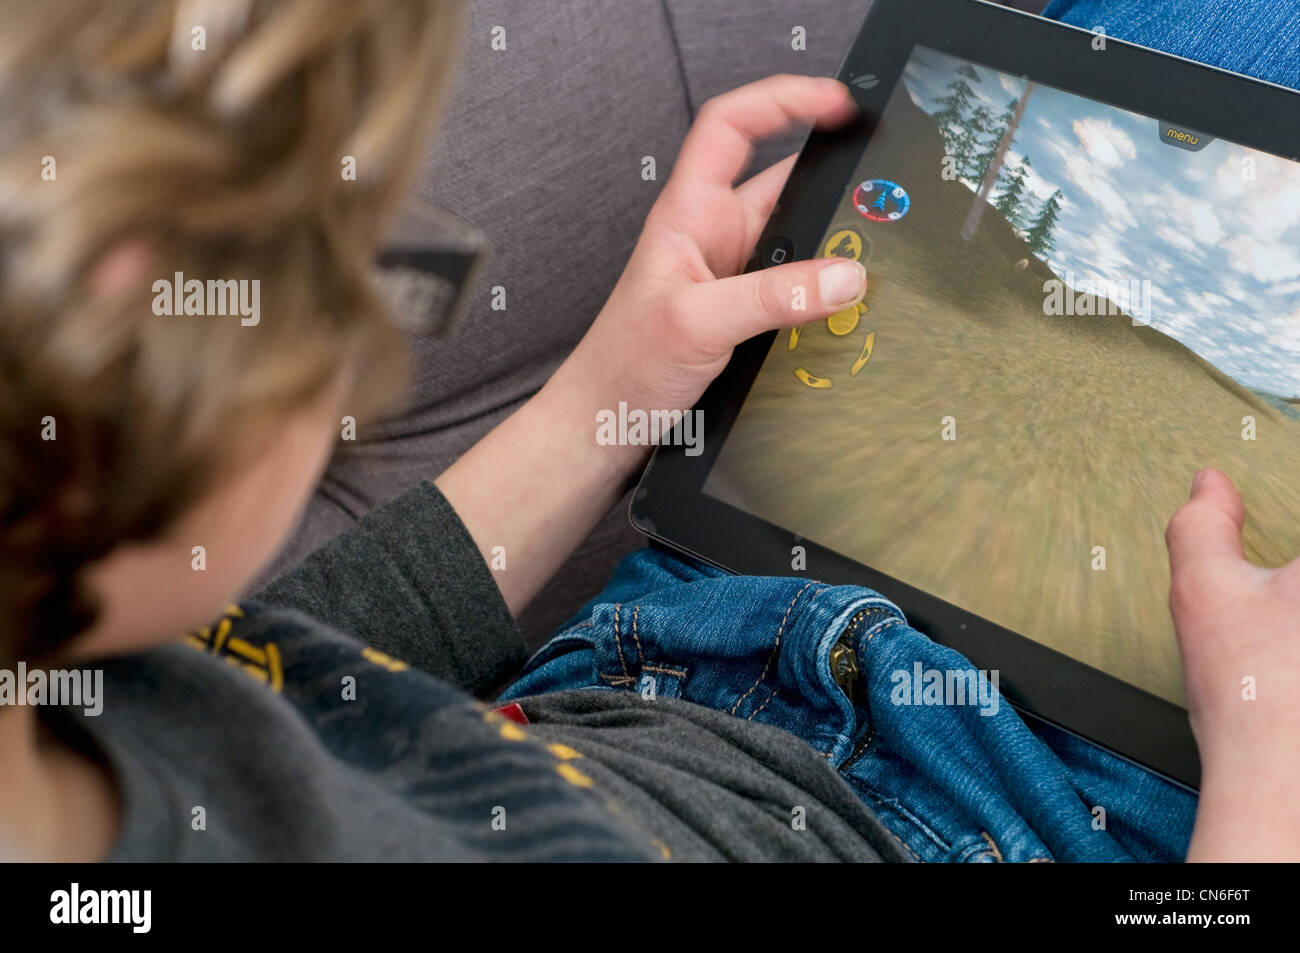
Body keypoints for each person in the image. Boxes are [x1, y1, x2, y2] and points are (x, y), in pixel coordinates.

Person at [0, 0, 1294, 862]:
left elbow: (291, 656)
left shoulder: (65, 689)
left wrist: (614, 388)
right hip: (1050, 798)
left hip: (679, 635)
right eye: (355, 264)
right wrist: (1265, 773)